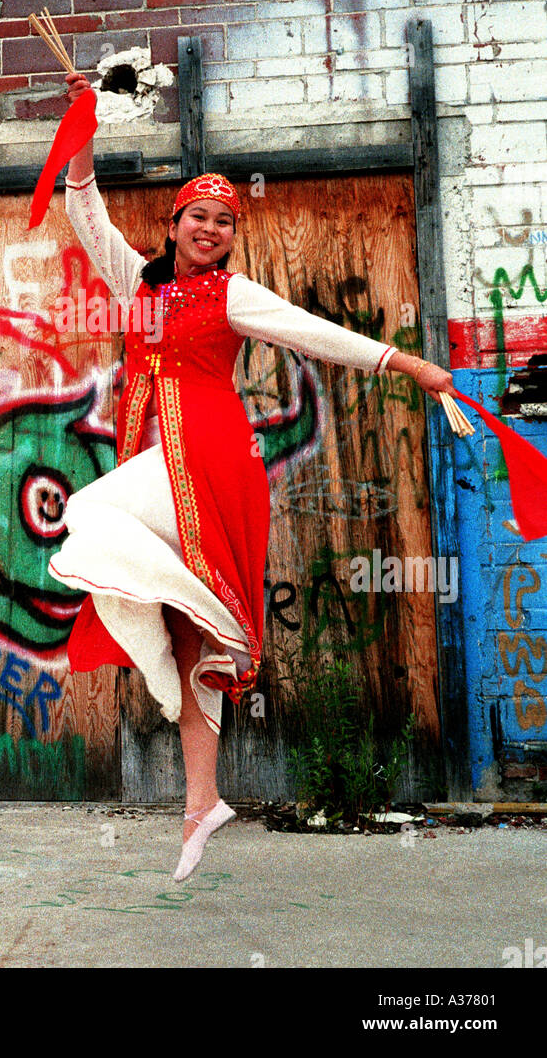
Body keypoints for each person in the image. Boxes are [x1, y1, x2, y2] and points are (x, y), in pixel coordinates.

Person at [48, 70, 457, 881]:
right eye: (198, 217)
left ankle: (189, 676)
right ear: (172, 224)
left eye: (224, 222)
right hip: (150, 457)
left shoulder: (228, 293)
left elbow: (311, 333)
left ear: (232, 238)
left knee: (88, 520)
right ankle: (203, 802)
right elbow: (81, 201)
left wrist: (405, 362)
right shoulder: (137, 282)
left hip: (205, 460)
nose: (210, 229)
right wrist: (81, 119)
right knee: (187, 636)